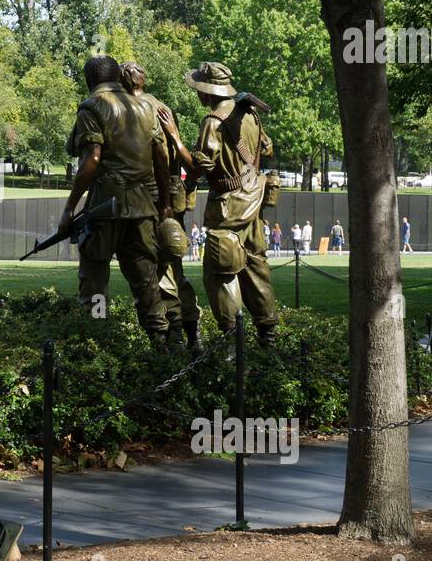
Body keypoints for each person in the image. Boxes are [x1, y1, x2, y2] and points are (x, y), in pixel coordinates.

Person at [62, 55, 171, 344]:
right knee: (145, 275)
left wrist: (70, 207)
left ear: (89, 81)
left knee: (95, 273)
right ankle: (159, 337)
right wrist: (163, 201)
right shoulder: (146, 106)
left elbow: (92, 159)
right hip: (142, 206)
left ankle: (97, 336)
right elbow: (162, 158)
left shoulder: (92, 106)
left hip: (105, 207)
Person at [174, 62, 279, 347]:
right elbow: (267, 148)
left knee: (220, 271)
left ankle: (232, 340)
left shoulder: (213, 121)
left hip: (229, 207)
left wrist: (174, 138)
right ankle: (267, 334)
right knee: (255, 264)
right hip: (253, 201)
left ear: (207, 92)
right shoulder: (250, 112)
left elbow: (198, 167)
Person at [126, 59, 202, 353]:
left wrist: (165, 203)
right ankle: (189, 334)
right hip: (168, 200)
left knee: (159, 272)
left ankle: (176, 336)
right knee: (173, 269)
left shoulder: (134, 111)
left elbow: (168, 159)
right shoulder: (162, 107)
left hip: (153, 201)